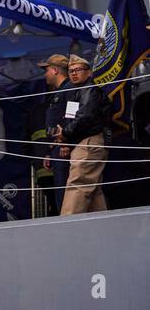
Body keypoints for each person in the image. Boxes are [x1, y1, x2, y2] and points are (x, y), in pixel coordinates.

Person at [58, 54, 111, 215]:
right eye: (70, 71)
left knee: (79, 184)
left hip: (89, 142)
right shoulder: (80, 91)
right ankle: (101, 226)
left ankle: (67, 227)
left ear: (89, 72)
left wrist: (65, 133)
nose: (73, 73)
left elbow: (85, 117)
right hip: (85, 142)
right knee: (93, 189)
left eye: (78, 70)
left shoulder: (90, 89)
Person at [37, 53, 73, 216]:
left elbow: (72, 116)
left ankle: (68, 228)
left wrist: (66, 143)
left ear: (55, 70)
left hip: (64, 148)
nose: (45, 74)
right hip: (56, 148)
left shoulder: (70, 89)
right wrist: (49, 151)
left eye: (47, 70)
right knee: (60, 191)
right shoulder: (60, 91)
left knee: (64, 193)